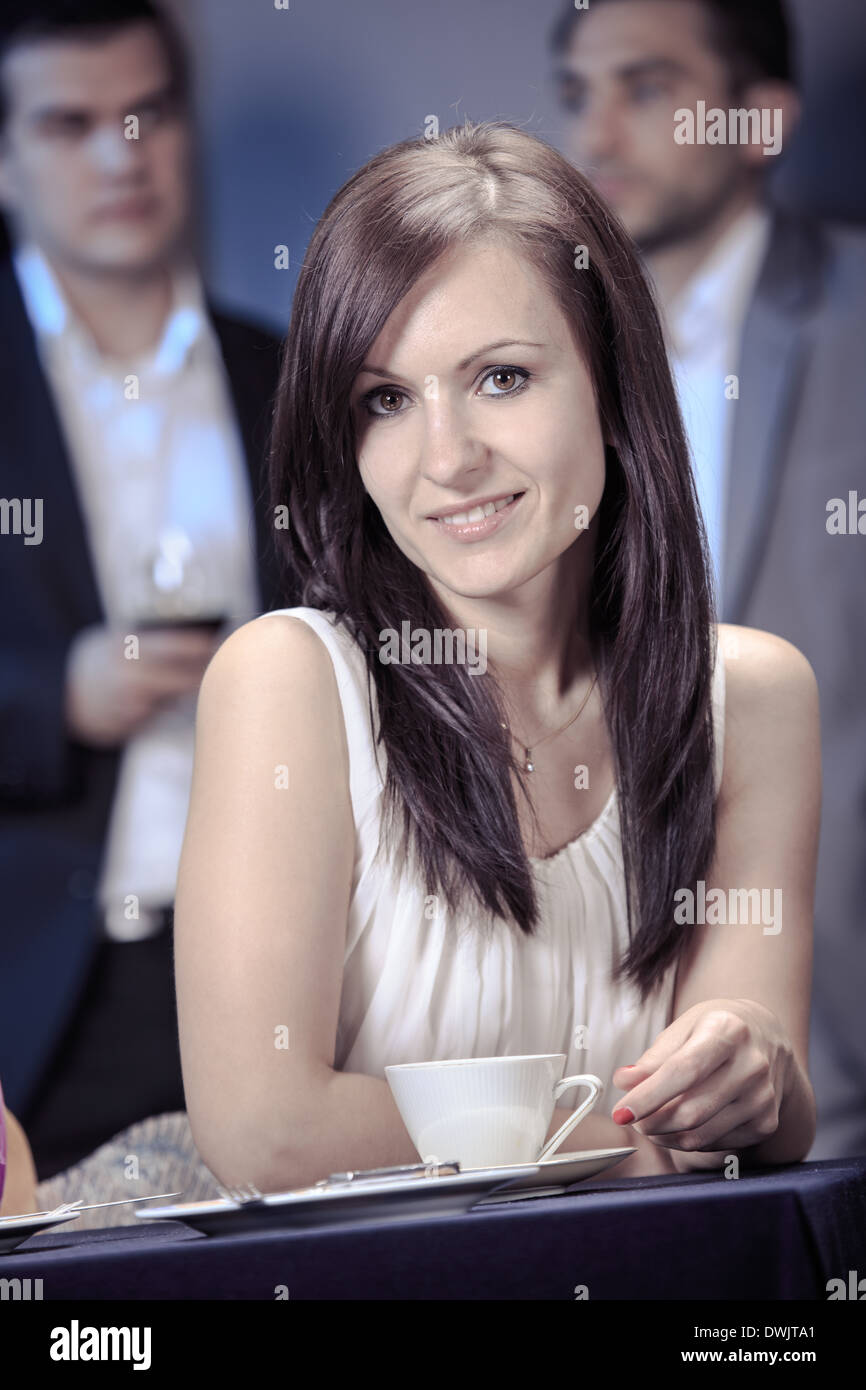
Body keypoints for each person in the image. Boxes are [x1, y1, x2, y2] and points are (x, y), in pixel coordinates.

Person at [173, 120, 818, 1192]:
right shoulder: (286, 683)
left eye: (500, 378)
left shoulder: (749, 698)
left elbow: (758, 1132)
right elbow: (265, 1131)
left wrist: (751, 1073)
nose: (446, 458)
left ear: (612, 387)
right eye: (385, 400)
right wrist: (632, 1147)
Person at [550, 0, 866, 1159]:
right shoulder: (536, 350)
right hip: (606, 1044)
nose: (598, 129)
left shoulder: (854, 312)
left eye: (643, 86)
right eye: (578, 92)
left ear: (762, 118)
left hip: (835, 999)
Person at [0, 0, 287, 1179]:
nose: (122, 154)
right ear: (6, 161)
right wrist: (50, 699)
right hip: (34, 1003)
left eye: (146, 113)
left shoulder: (285, 372)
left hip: (272, 977)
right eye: (71, 125)